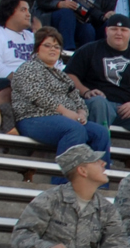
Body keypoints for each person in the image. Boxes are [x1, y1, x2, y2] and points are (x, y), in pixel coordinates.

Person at [7, 29, 112, 164]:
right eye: (47, 45)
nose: (53, 50)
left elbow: (77, 98)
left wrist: (82, 112)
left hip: (64, 120)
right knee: (74, 129)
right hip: (33, 118)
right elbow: (37, 95)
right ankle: (64, 181)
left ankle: (99, 181)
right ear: (37, 48)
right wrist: (65, 112)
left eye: (57, 47)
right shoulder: (28, 68)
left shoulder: (62, 76)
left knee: (100, 133)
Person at [67, 14, 130, 133]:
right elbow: (70, 75)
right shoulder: (89, 50)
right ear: (106, 30)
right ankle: (100, 149)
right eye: (114, 29)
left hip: (126, 110)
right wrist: (86, 91)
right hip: (97, 105)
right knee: (98, 102)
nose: (119, 33)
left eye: (123, 30)